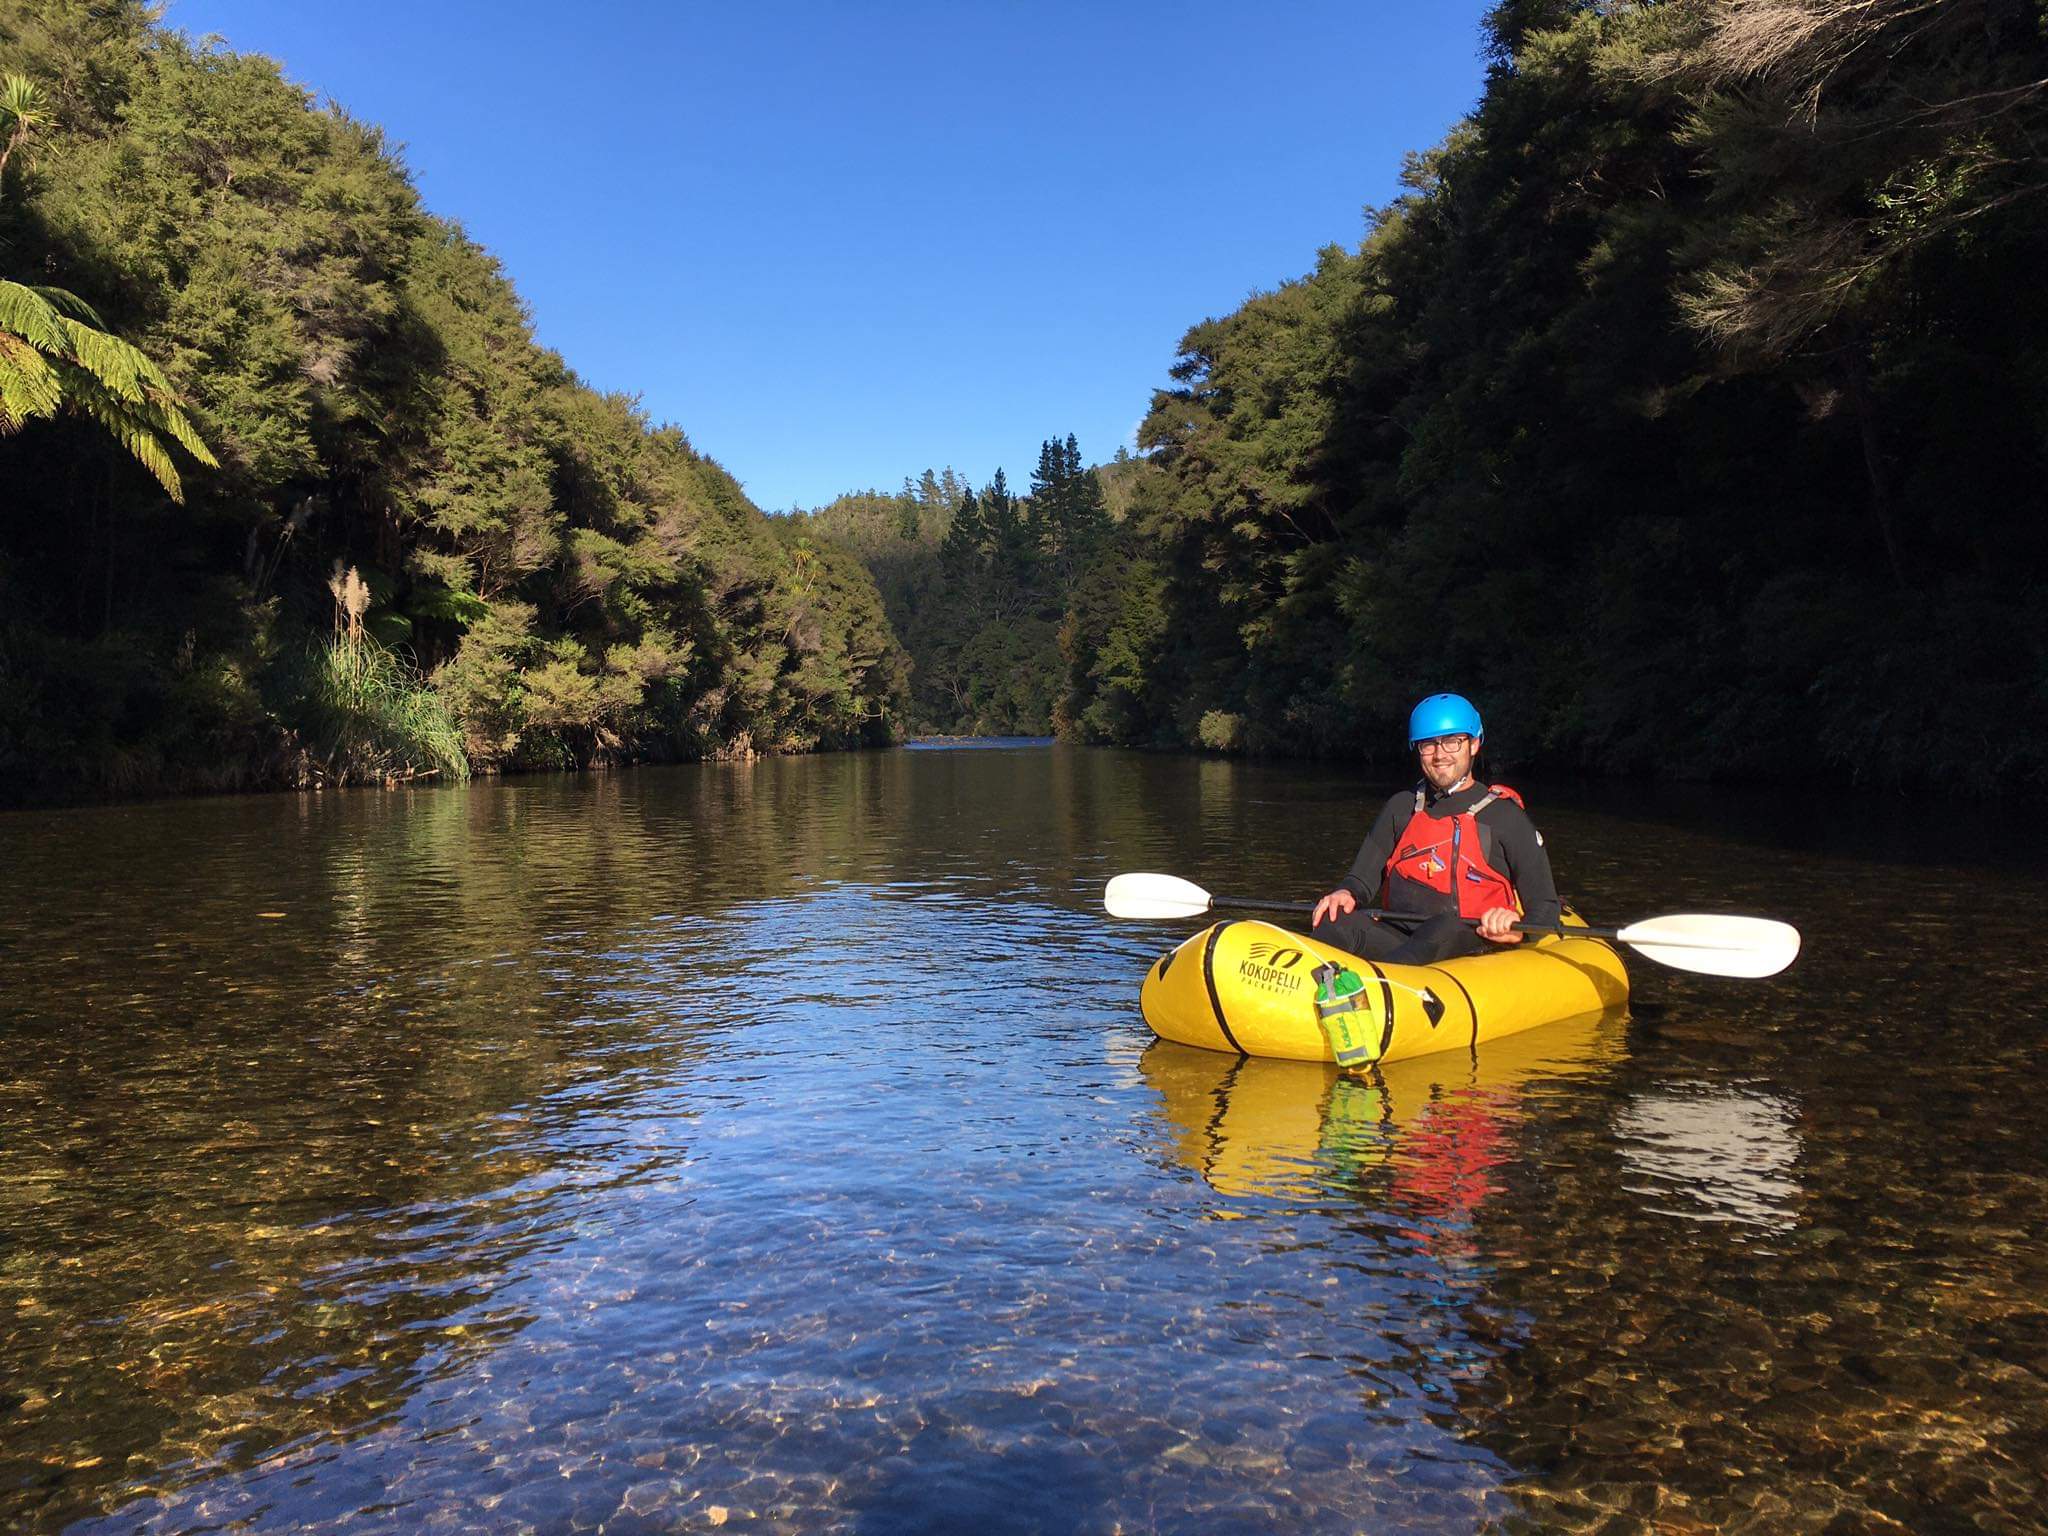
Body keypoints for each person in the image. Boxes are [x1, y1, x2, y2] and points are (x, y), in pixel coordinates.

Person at [1310, 693, 1560, 966]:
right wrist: (1344, 893)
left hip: (1469, 942)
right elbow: (1360, 880)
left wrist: (1517, 929)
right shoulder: (1401, 807)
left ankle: (1383, 987)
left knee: (1444, 927)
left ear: (1474, 744)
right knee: (1335, 918)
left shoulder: (1505, 817)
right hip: (1401, 937)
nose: (1440, 755)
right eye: (1428, 745)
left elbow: (1545, 909)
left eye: (1453, 742)